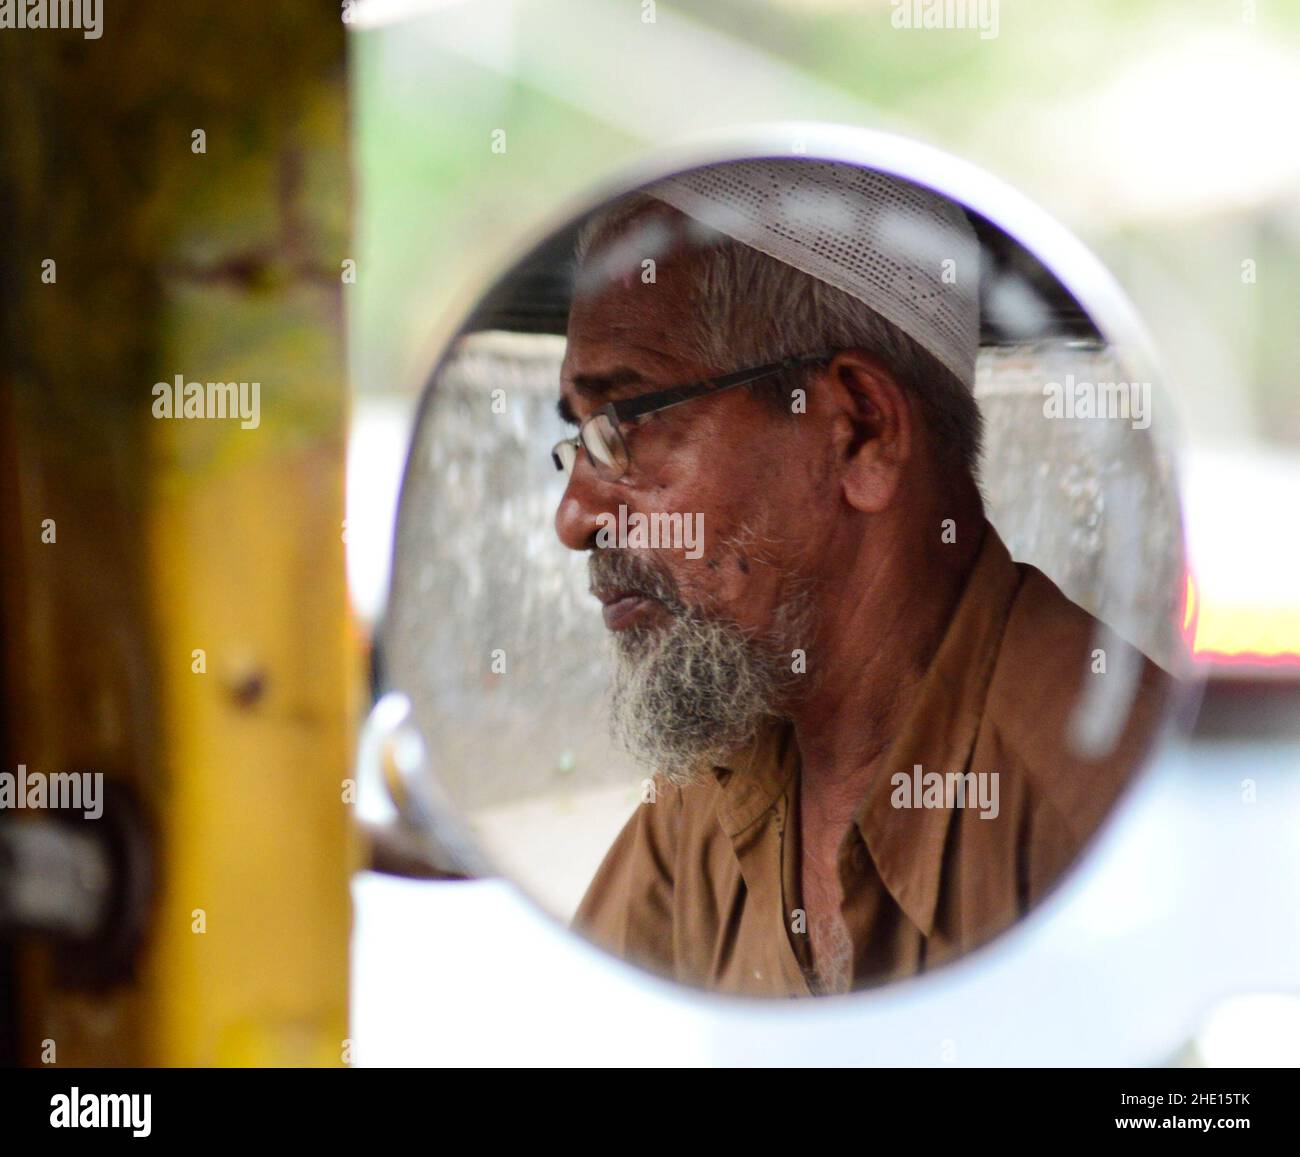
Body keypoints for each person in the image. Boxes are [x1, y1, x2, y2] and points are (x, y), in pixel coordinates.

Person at [549, 159, 1169, 996]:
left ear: (859, 432)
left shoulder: (1115, 811)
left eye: (620, 427)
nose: (575, 516)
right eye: (580, 439)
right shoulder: (713, 795)